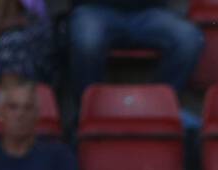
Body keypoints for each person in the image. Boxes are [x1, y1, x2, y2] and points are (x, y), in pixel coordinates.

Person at [67, 1, 204, 103]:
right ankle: (90, 111)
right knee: (87, 41)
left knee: (189, 38)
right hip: (95, 9)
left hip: (149, 11)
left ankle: (158, 106)